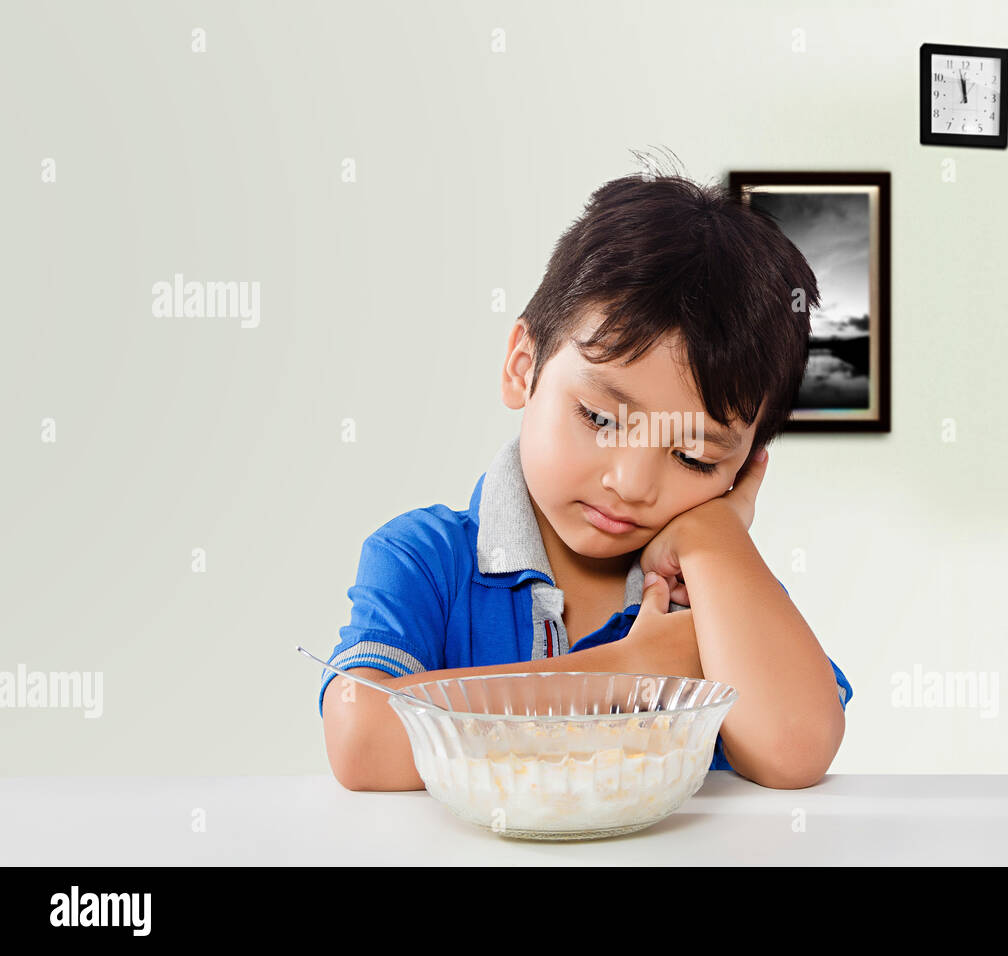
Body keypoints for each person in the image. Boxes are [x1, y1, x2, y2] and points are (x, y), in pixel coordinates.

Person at [319, 157, 853, 791]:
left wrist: (713, 536)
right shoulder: (424, 558)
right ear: (524, 367)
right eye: (601, 418)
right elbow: (362, 737)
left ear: (742, 472)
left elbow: (794, 748)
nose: (631, 482)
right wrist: (629, 671)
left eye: (693, 459)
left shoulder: (715, 593)